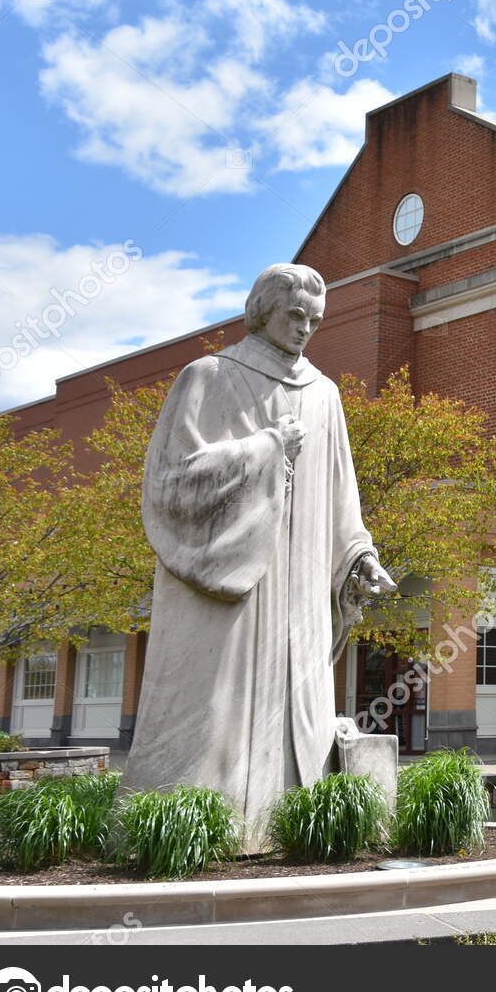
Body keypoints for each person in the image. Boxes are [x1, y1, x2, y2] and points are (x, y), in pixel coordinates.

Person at [122, 264, 395, 847]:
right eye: (294, 315)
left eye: (315, 321)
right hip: (236, 579)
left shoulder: (325, 394)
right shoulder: (209, 377)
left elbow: (341, 492)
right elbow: (171, 481)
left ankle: (294, 829)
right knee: (216, 704)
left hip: (300, 588)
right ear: (262, 310)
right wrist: (266, 447)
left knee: (301, 707)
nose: (304, 329)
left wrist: (359, 554)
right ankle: (190, 832)